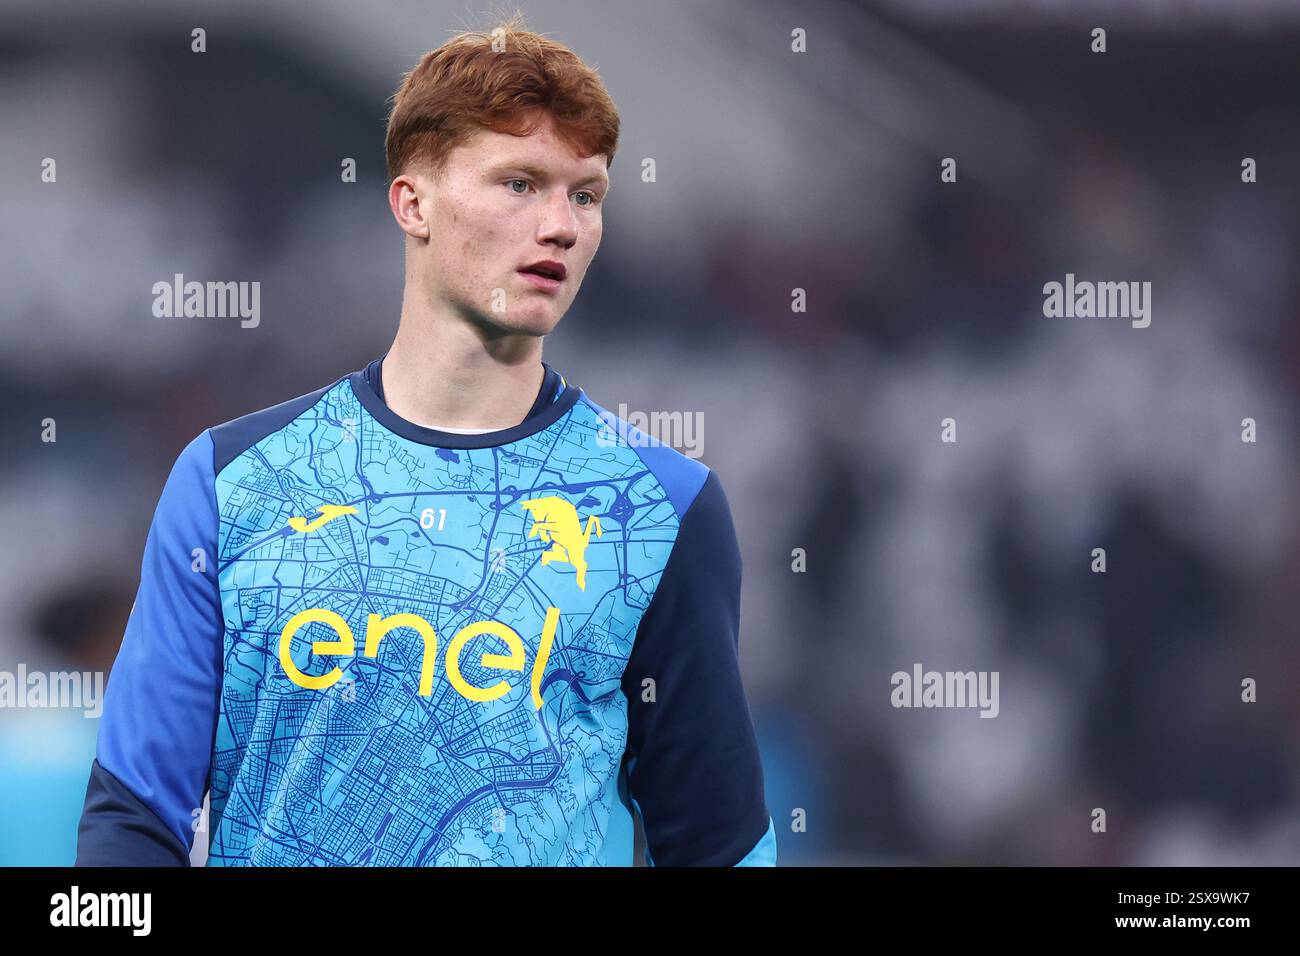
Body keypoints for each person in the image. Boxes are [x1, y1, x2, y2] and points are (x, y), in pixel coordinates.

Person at [76, 15, 776, 867]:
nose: (559, 224)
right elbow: (133, 821)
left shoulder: (664, 510)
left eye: (584, 194)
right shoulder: (229, 480)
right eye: (520, 184)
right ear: (413, 202)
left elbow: (718, 843)